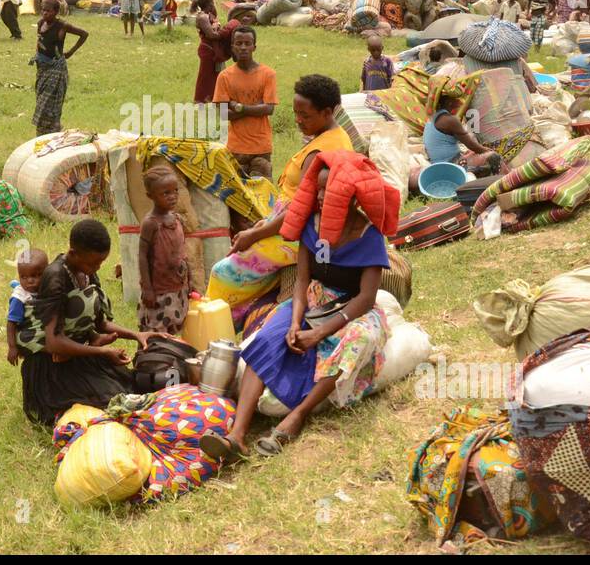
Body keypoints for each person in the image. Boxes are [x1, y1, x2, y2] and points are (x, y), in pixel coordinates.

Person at [202, 152, 397, 460]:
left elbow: (366, 298)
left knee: (358, 340)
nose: (319, 197)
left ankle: (298, 415)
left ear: (348, 194)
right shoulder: (310, 224)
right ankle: (237, 435)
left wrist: (319, 335)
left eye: (327, 191)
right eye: (316, 190)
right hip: (312, 300)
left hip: (352, 309)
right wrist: (295, 323)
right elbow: (303, 281)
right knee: (266, 338)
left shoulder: (368, 234)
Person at [207, 75, 355, 325]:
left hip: (297, 234)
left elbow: (304, 209)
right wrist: (265, 223)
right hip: (285, 223)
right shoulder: (331, 137)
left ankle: (216, 327)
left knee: (222, 273)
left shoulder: (322, 152)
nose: (298, 120)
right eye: (296, 113)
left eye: (305, 115)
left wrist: (257, 234)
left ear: (327, 112)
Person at [16, 218, 158, 425]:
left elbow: (99, 323)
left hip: (78, 353)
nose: (97, 267)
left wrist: (136, 334)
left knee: (131, 389)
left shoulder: (87, 271)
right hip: (52, 365)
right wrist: (102, 352)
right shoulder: (55, 277)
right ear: (73, 253)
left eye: (100, 262)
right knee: (112, 404)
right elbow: (54, 342)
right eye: (93, 263)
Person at [213, 26, 277, 180]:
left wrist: (237, 106)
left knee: (262, 194)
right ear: (232, 47)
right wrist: (256, 107)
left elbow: (269, 109)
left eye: (247, 43)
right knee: (237, 199)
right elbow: (223, 114)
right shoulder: (224, 77)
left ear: (254, 47)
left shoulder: (268, 74)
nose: (243, 47)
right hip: (236, 149)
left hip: (261, 147)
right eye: (239, 43)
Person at [138, 167, 189, 334]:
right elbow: (142, 256)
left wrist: (191, 282)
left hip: (177, 287)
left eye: (175, 191)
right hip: (158, 292)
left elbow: (183, 253)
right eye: (165, 193)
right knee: (156, 332)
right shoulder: (151, 223)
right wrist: (147, 289)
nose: (172, 196)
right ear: (150, 196)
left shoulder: (176, 219)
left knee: (175, 328)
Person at [33, 0, 87, 135]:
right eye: (43, 10)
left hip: (56, 70)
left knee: (49, 105)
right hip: (42, 70)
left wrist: (71, 52)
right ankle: (43, 131)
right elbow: (39, 43)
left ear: (56, 12)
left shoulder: (62, 26)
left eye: (48, 11)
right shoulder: (40, 23)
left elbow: (84, 34)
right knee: (41, 101)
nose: (45, 13)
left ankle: (53, 131)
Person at [417, 100, 503, 184]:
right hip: (450, 166)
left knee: (475, 152)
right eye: (458, 100)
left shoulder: (434, 117)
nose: (460, 103)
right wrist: (488, 150)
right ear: (449, 102)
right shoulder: (449, 120)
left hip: (440, 164)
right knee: (493, 156)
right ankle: (505, 180)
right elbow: (472, 146)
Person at [5, 247, 48, 366]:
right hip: (28, 332)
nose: (29, 281)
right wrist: (12, 347)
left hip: (45, 328)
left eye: (35, 276)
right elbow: (11, 323)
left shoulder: (49, 287)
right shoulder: (19, 298)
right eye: (23, 277)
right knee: (25, 339)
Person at [192, 0, 224, 103]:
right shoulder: (202, 17)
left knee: (215, 75)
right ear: (209, 3)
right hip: (207, 49)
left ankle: (213, 98)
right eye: (212, 1)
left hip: (213, 49)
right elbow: (211, 35)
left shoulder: (210, 14)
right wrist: (224, 33)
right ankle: (199, 99)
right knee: (205, 76)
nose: (214, 3)